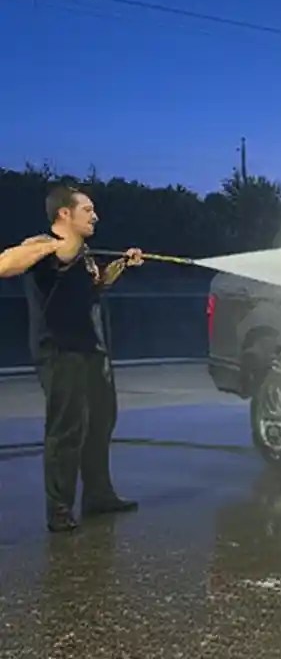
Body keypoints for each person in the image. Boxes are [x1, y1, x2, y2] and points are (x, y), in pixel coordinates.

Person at [0, 185, 145, 532]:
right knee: (66, 429)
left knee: (100, 422)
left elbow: (96, 285)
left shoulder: (84, 253)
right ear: (64, 214)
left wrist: (123, 264)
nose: (95, 216)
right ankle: (60, 508)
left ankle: (98, 495)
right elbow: (4, 265)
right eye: (88, 210)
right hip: (59, 350)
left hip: (90, 348)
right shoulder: (41, 244)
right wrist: (54, 246)